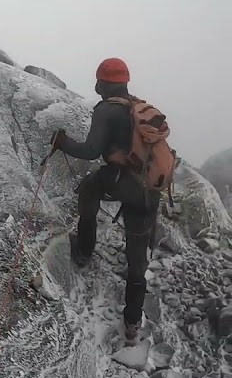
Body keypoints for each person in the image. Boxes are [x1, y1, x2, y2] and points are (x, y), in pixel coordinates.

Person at [52, 57, 162, 344]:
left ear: (104, 83)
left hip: (122, 182)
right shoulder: (138, 107)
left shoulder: (107, 110)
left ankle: (84, 250)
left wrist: (62, 143)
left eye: (98, 81)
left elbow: (90, 151)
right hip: (150, 188)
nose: (96, 86)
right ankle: (132, 323)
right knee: (137, 261)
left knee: (90, 187)